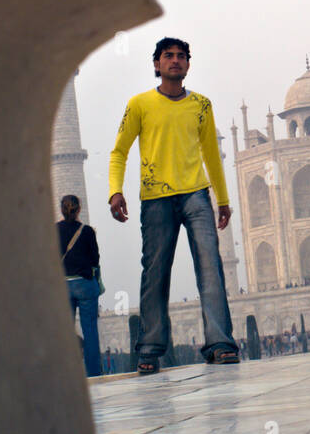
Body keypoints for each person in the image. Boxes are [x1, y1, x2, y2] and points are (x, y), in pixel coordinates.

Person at [108, 37, 239, 374]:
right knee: (155, 273)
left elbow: (211, 155)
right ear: (157, 64)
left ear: (188, 64)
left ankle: (220, 344)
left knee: (211, 268)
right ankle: (150, 349)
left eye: (182, 56)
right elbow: (119, 151)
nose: (175, 61)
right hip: (155, 198)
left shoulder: (202, 106)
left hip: (196, 194)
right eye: (169, 56)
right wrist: (115, 191)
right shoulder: (139, 104)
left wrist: (222, 200)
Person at [58, 194, 102, 378]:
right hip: (84, 283)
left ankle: (68, 374)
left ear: (61, 209)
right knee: (90, 330)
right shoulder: (87, 231)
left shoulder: (53, 230)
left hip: (63, 285)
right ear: (79, 209)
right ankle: (94, 374)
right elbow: (95, 259)